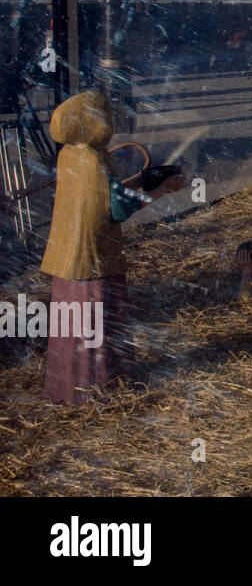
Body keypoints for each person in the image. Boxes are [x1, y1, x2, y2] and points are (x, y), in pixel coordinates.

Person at [40, 91, 185, 404]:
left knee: (73, 323)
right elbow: (118, 210)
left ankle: (68, 388)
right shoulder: (92, 160)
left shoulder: (70, 153)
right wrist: (162, 190)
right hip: (93, 258)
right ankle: (98, 388)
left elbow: (104, 196)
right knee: (96, 320)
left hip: (69, 257)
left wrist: (137, 182)